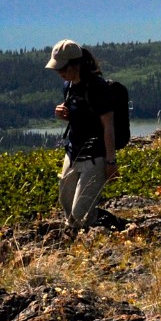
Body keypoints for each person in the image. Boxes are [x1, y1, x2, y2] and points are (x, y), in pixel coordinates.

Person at [45, 39, 118, 233]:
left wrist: (110, 162)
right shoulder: (68, 86)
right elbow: (80, 117)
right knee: (67, 208)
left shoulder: (97, 87)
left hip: (95, 158)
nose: (59, 72)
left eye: (62, 68)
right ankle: (77, 236)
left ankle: (109, 227)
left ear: (75, 64)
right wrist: (64, 113)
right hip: (73, 153)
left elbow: (108, 126)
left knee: (81, 214)